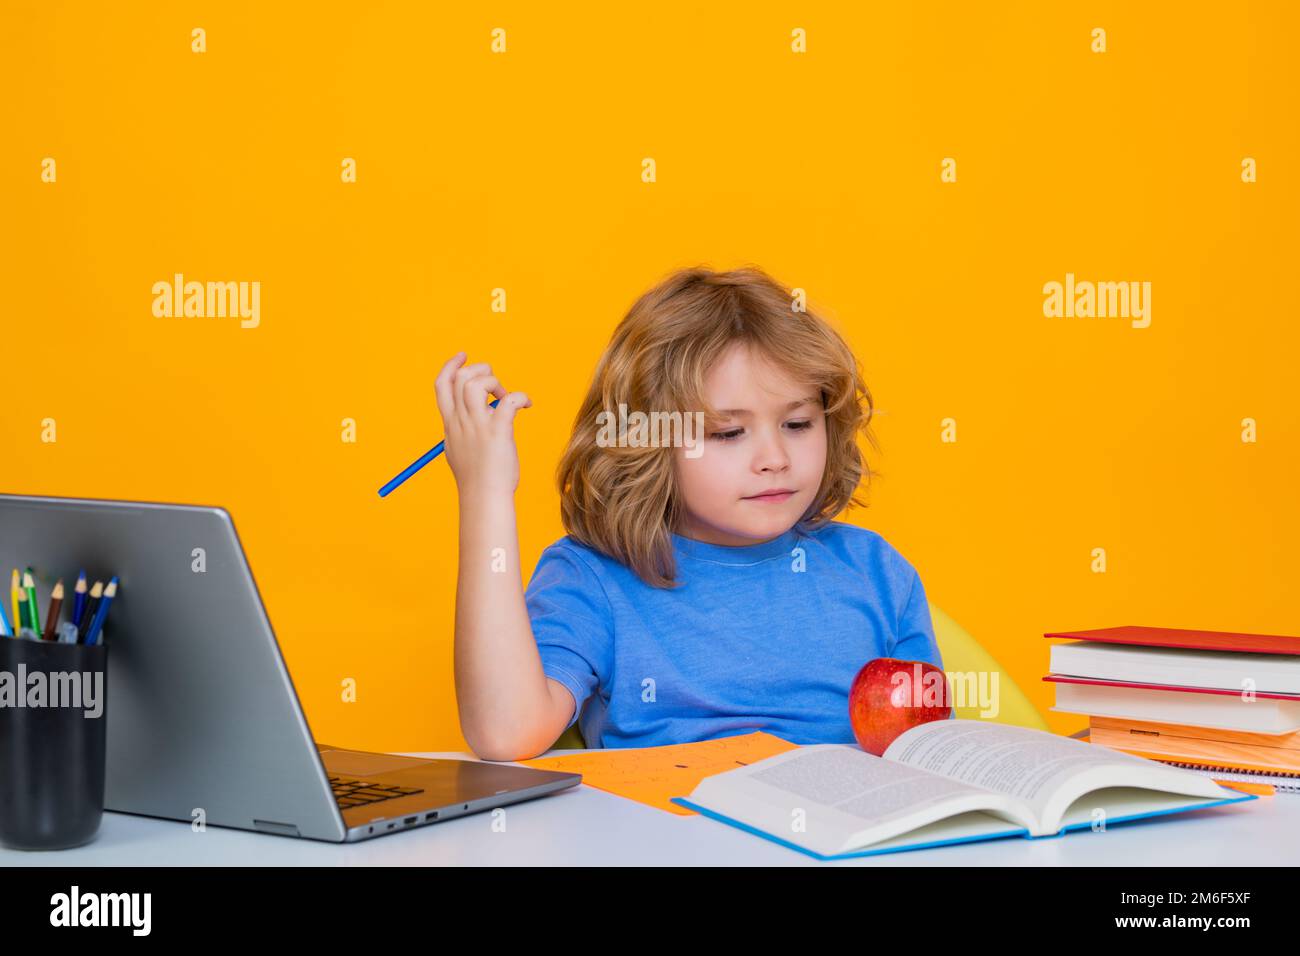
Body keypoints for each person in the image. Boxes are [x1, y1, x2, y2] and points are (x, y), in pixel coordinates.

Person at [438, 265, 943, 760]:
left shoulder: (876, 573)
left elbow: (927, 753)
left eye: (797, 423)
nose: (776, 459)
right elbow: (505, 733)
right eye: (727, 433)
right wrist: (486, 492)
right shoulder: (594, 578)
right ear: (647, 440)